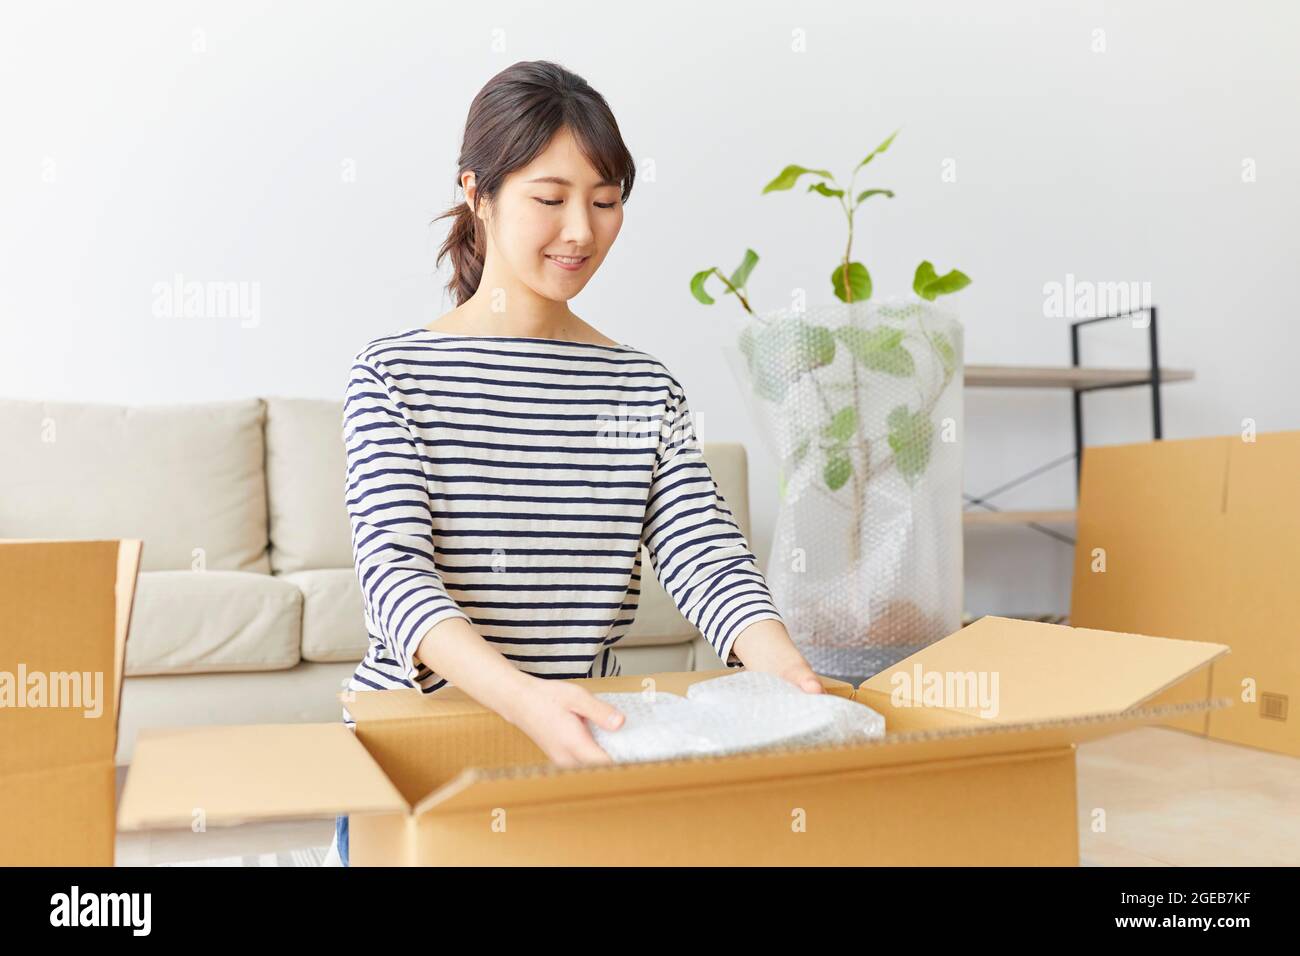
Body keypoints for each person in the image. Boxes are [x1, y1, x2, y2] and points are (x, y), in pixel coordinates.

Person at [330, 60, 821, 867]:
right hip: (425, 740)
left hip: (582, 732)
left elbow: (705, 554)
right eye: (550, 200)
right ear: (475, 193)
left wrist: (789, 672)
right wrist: (523, 702)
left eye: (605, 202)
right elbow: (394, 579)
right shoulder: (394, 373)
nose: (581, 233)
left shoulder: (640, 384)